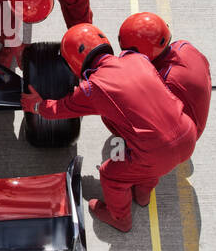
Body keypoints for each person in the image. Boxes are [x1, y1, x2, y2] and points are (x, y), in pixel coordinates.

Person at [21, 23, 196, 231]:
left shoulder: (92, 88)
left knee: (111, 175)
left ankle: (120, 220)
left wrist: (36, 105)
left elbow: (60, 109)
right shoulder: (137, 59)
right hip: (187, 134)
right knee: (148, 152)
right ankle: (142, 195)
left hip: (156, 153)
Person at [118, 12, 211, 137]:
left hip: (183, 138)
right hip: (195, 122)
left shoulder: (163, 82)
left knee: (116, 113)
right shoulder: (184, 46)